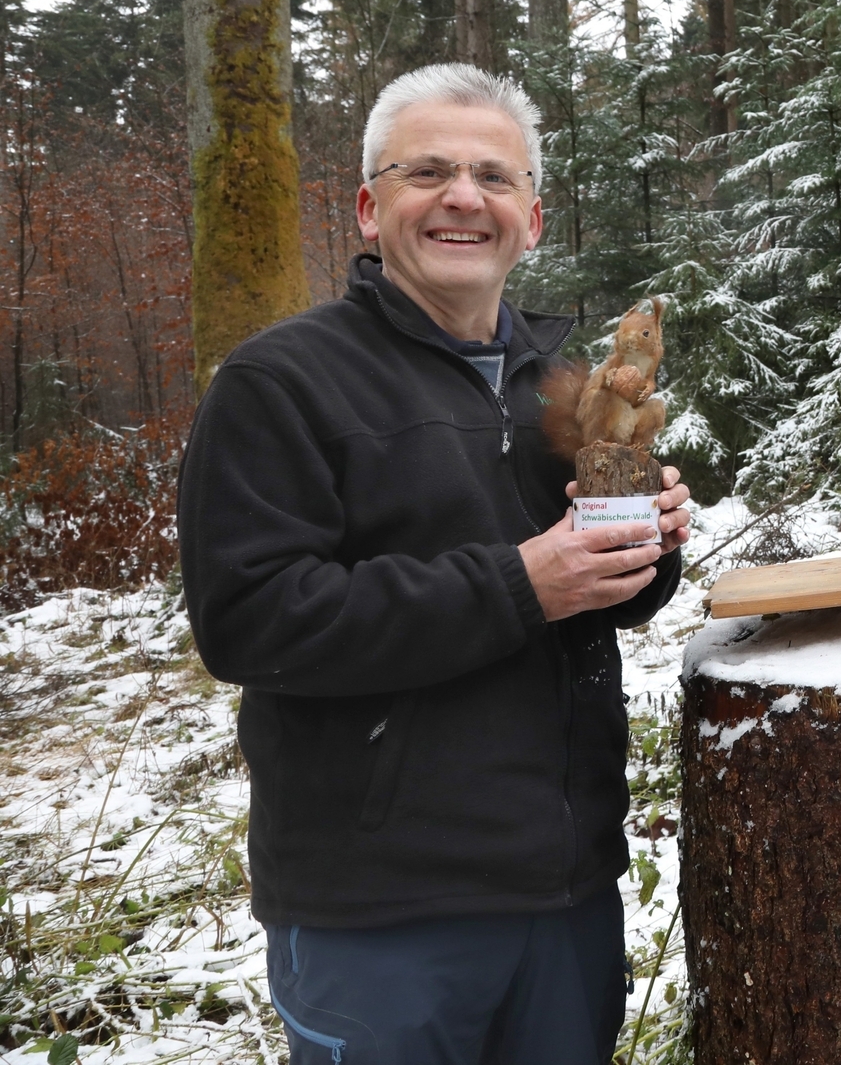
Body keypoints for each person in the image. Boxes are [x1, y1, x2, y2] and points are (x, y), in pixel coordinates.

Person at [178, 63, 695, 1065]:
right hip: (379, 918)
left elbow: (602, 602)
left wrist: (647, 544)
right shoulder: (279, 383)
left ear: (531, 219)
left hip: (566, 893)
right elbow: (251, 619)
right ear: (372, 209)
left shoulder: (563, 389)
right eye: (429, 172)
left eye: (494, 179)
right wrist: (520, 582)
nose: (465, 196)